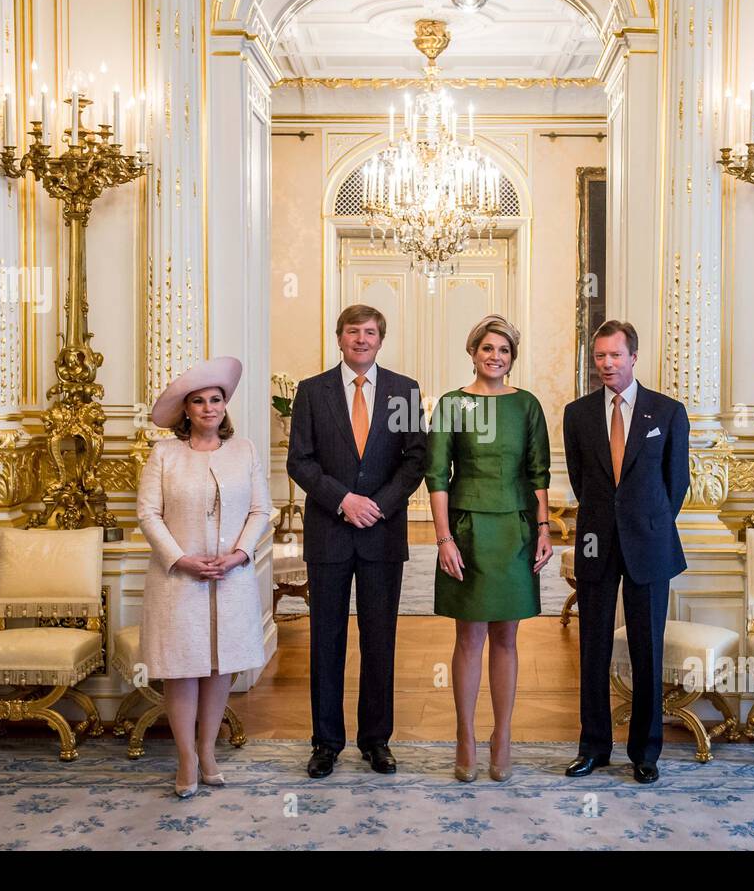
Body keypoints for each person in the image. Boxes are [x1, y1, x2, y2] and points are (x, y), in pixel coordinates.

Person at [286, 304, 427, 779]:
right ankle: (325, 743)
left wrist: (378, 505)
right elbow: (300, 462)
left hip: (382, 535)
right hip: (329, 532)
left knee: (379, 640)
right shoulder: (311, 391)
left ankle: (376, 741)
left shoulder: (404, 390)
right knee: (326, 640)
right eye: (353, 332)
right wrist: (344, 500)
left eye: (370, 333)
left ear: (380, 339)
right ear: (339, 337)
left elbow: (415, 461)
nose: (361, 340)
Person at [562, 320, 690, 784]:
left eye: (615, 355)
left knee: (646, 649)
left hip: (650, 544)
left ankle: (645, 753)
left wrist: (647, 521)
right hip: (596, 542)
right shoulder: (576, 415)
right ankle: (593, 747)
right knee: (592, 647)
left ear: (633, 357)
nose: (607, 364)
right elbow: (581, 481)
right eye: (599, 356)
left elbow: (676, 485)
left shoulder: (668, 412)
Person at [137, 356, 272, 798]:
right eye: (199, 401)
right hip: (178, 581)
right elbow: (148, 515)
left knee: (219, 668)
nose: (209, 408)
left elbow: (260, 509)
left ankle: (208, 750)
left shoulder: (245, 450)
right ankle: (186, 758)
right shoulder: (164, 454)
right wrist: (180, 559)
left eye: (216, 400)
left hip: (231, 578)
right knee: (183, 670)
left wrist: (238, 554)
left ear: (224, 406)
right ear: (186, 411)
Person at [426, 315, 552, 782]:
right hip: (468, 530)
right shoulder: (452, 405)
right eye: (487, 348)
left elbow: (539, 473)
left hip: (516, 532)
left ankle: (502, 735)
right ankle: (465, 735)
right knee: (469, 637)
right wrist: (443, 538)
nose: (495, 356)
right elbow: (436, 476)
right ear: (473, 352)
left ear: (511, 358)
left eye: (503, 350)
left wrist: (543, 529)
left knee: (507, 636)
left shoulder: (527, 406)